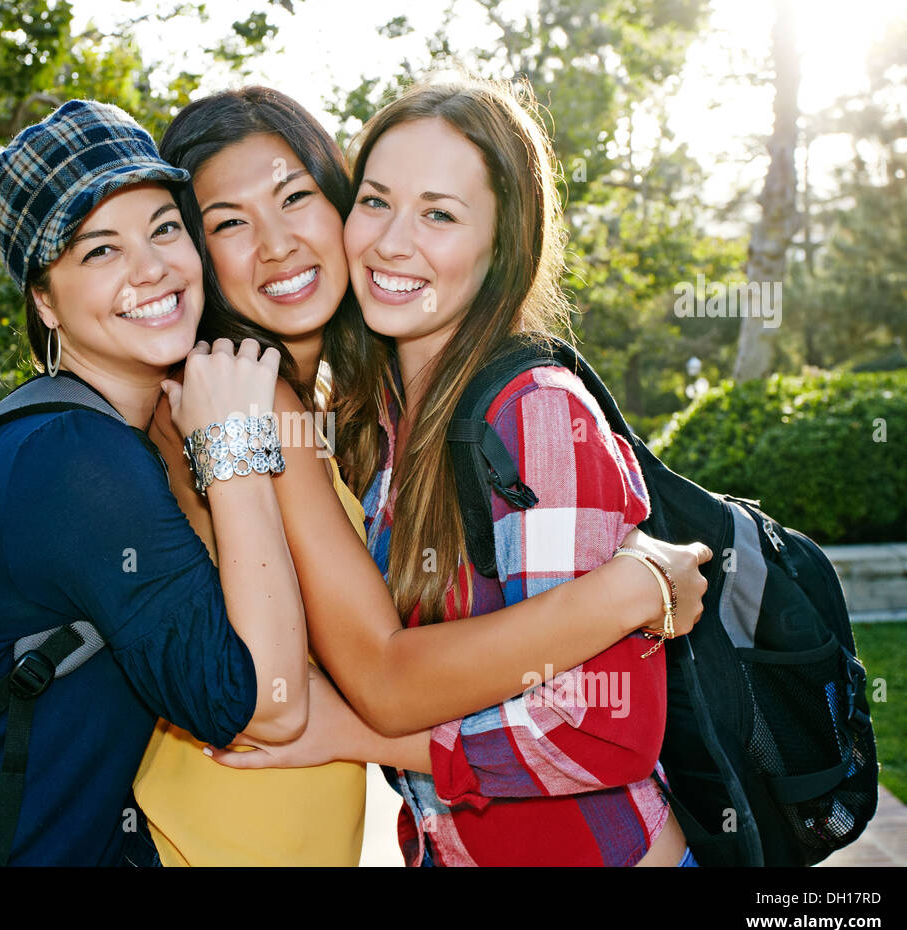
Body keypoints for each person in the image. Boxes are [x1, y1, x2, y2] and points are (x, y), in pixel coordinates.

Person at [134, 87, 712, 866]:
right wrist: (628, 591)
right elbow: (382, 672)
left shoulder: (517, 414)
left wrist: (353, 732)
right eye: (228, 222)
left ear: (501, 244)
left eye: (439, 214)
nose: (274, 245)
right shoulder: (296, 412)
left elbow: (593, 728)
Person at [0, 99, 309, 866]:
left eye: (164, 227)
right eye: (99, 250)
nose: (151, 268)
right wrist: (234, 443)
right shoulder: (73, 459)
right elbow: (267, 707)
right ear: (45, 300)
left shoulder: (71, 435)